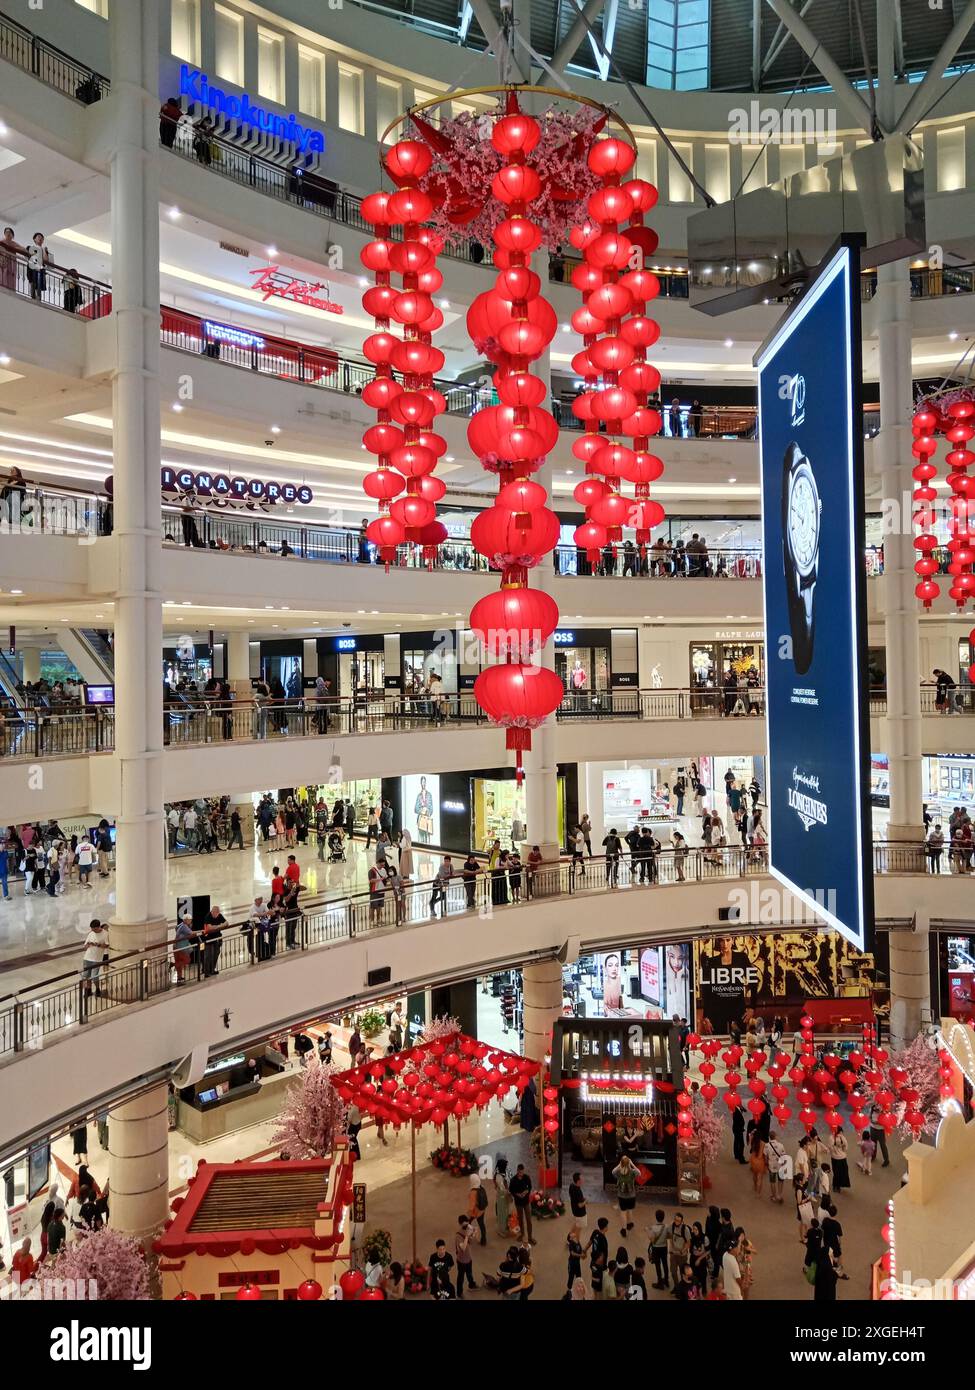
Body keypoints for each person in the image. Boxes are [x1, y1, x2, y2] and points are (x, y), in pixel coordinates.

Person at [612, 1153, 638, 1237]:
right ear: (628, 1163)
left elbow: (613, 1172)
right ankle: (630, 1223)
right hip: (631, 1195)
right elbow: (639, 1173)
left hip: (621, 1196)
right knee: (630, 1210)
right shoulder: (632, 1172)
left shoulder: (619, 1172)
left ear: (621, 1163)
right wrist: (632, 1164)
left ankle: (624, 1229)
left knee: (623, 1212)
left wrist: (619, 1164)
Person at [81, 919, 109, 998]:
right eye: (92, 929)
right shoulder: (91, 933)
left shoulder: (105, 934)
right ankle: (88, 990)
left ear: (98, 927)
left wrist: (98, 945)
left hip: (97, 959)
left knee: (94, 976)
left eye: (94, 929)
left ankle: (97, 988)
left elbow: (107, 945)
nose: (93, 931)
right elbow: (85, 946)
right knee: (86, 976)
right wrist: (88, 944)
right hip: (87, 958)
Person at [509, 1163, 533, 1244]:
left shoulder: (526, 1178)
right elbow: (511, 1190)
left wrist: (526, 1192)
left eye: (522, 1172)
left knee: (529, 1220)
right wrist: (517, 1194)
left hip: (526, 1201)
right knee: (521, 1220)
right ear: (517, 1171)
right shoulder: (513, 1180)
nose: (521, 1174)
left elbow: (530, 1187)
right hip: (518, 1203)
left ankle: (530, 1237)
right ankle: (522, 1234)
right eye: (520, 1172)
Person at [667, 1212, 691, 1290]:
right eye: (675, 1220)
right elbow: (670, 1236)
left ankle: (683, 1288)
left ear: (681, 1221)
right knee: (673, 1272)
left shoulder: (685, 1229)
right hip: (673, 1254)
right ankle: (677, 1287)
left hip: (682, 1255)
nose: (676, 1222)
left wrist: (682, 1250)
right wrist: (672, 1247)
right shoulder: (672, 1226)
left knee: (682, 1273)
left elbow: (688, 1242)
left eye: (678, 1221)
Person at [586, 1216, 609, 1295]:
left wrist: (584, 1250)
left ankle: (594, 1288)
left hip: (593, 1260)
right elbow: (603, 1255)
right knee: (599, 1281)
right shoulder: (603, 1240)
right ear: (605, 1227)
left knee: (594, 1275)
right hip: (599, 1264)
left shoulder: (595, 1232)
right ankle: (596, 1293)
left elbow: (590, 1242)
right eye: (607, 1226)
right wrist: (603, 1266)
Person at [454, 1215, 476, 1297]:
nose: (467, 1226)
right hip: (462, 1261)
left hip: (468, 1258)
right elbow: (463, 1247)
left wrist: (473, 1233)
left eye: (467, 1224)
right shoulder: (458, 1236)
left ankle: (471, 1285)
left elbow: (471, 1240)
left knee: (469, 1273)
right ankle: (459, 1293)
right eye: (465, 1225)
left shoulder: (468, 1229)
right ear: (460, 1224)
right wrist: (467, 1235)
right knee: (461, 1277)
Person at [26, 232, 52, 301]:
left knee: (39, 285)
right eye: (38, 237)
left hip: (40, 269)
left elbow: (46, 260)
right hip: (32, 268)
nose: (40, 238)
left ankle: (38, 300)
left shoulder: (44, 250)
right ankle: (33, 298)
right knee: (33, 283)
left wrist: (43, 250)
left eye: (42, 238)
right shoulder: (30, 247)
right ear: (34, 239)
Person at [647, 1209, 669, 1288]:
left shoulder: (653, 1228)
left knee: (657, 1265)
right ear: (663, 1217)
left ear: (656, 1217)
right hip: (664, 1247)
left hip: (656, 1248)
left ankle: (660, 1282)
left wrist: (647, 1231)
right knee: (665, 1263)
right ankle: (666, 1280)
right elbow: (669, 1236)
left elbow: (652, 1239)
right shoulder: (666, 1226)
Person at [765, 1130, 788, 1203]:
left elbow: (765, 1157)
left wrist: (766, 1164)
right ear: (775, 1136)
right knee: (781, 1181)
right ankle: (779, 1195)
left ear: (769, 1137)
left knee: (772, 1182)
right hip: (780, 1166)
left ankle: (774, 1196)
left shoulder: (766, 1145)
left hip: (771, 1166)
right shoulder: (781, 1145)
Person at [689, 1221, 710, 1296]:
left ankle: (703, 1291)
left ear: (699, 1229)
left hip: (701, 1260)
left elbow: (708, 1251)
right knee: (694, 1276)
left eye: (696, 1229)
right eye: (693, 1229)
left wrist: (699, 1259)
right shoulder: (692, 1236)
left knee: (702, 1276)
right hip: (693, 1259)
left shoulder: (705, 1238)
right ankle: (695, 1291)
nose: (694, 1231)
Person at [721, 1232, 743, 1300]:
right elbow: (738, 1278)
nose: (737, 1248)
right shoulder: (733, 1262)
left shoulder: (725, 1255)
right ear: (732, 1249)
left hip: (727, 1288)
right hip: (734, 1292)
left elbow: (736, 1253)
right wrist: (742, 1287)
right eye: (736, 1247)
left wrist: (739, 1241)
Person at [494, 1156, 511, 1237]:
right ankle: (501, 1230)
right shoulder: (499, 1177)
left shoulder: (502, 1174)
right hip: (502, 1197)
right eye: (505, 1166)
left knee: (506, 1212)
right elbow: (501, 1188)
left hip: (504, 1196)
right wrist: (508, 1192)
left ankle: (506, 1226)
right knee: (502, 1213)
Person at [468, 1174, 488, 1246]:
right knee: (482, 1225)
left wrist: (469, 1213)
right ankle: (483, 1240)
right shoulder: (481, 1187)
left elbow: (471, 1206)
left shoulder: (473, 1192)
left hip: (475, 1212)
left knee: (468, 1223)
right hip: (482, 1210)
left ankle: (467, 1238)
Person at [568, 1171, 587, 1236]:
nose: (583, 1179)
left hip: (574, 1210)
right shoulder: (578, 1191)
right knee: (578, 1230)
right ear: (578, 1181)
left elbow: (572, 1196)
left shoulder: (571, 1185)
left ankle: (569, 1237)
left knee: (576, 1224)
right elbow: (580, 1205)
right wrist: (585, 1202)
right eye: (582, 1178)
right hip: (580, 1213)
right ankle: (576, 1242)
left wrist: (581, 1199)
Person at [566, 1225, 584, 1292]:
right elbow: (572, 1253)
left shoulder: (577, 1241)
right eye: (571, 1234)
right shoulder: (571, 1244)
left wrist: (583, 1252)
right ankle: (569, 1290)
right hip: (572, 1263)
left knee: (579, 1276)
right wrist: (580, 1255)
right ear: (570, 1238)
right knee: (571, 1276)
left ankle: (579, 1288)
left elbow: (580, 1249)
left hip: (577, 1263)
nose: (573, 1233)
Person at [748, 1129, 767, 1196]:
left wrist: (753, 1132)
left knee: (754, 1175)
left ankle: (755, 1186)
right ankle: (758, 1193)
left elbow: (750, 1134)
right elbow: (765, 1154)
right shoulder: (763, 1143)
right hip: (760, 1161)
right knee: (760, 1177)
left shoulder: (752, 1141)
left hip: (753, 1160)